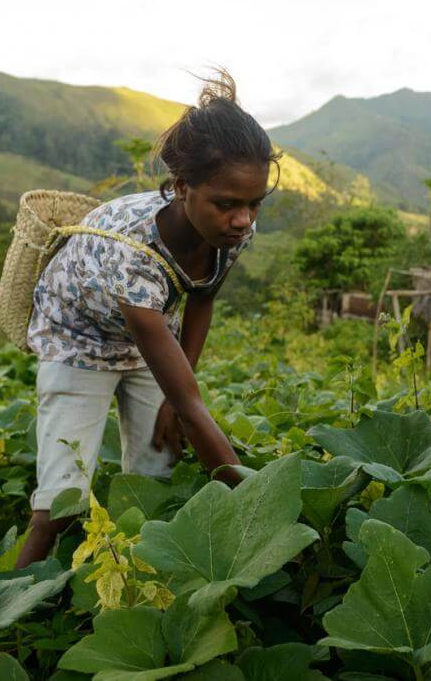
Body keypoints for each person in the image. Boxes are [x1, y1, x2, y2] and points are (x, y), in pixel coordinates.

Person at [15, 71, 276, 568]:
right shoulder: (131, 256)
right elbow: (189, 404)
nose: (243, 219)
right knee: (61, 502)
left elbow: (202, 296)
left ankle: (147, 576)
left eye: (254, 203)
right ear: (182, 187)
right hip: (79, 338)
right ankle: (7, 609)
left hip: (146, 332)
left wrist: (182, 400)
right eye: (227, 204)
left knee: (159, 469)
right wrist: (258, 511)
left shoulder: (234, 230)